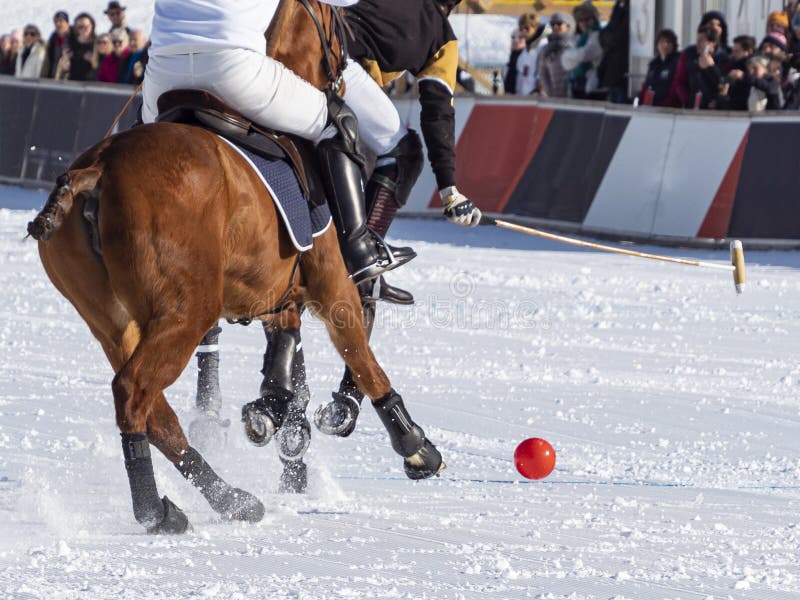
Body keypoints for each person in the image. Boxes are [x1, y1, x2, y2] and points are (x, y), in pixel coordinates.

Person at [142, 0, 415, 283]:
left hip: (162, 74)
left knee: (141, 144)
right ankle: (359, 249)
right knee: (338, 122)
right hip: (232, 70)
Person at [668, 23, 726, 108]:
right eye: (697, 40)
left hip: (712, 109)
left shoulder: (723, 58)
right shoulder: (690, 55)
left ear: (712, 43)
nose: (698, 43)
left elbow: (722, 84)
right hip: (693, 105)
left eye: (702, 40)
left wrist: (711, 67)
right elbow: (680, 81)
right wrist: (687, 100)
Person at [562, 2, 604, 100]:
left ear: (594, 19)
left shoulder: (598, 35)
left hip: (593, 87)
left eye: (587, 19)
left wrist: (568, 56)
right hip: (579, 85)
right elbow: (565, 63)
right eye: (580, 20)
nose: (584, 23)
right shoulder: (579, 38)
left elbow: (585, 54)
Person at [535, 12, 574, 98]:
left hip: (573, 97)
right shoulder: (546, 49)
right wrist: (551, 94)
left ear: (568, 25)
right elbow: (542, 74)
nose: (556, 27)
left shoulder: (575, 45)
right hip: (553, 98)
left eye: (559, 24)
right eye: (553, 24)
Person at [638, 28, 680, 106]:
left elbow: (676, 87)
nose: (665, 45)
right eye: (662, 42)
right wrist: (641, 102)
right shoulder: (653, 64)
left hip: (668, 108)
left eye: (668, 42)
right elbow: (646, 85)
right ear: (657, 45)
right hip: (650, 106)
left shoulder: (677, 62)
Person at [598, 0, 630, 103]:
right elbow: (605, 33)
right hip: (612, 71)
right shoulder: (617, 8)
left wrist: (609, 37)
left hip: (624, 70)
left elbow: (620, 36)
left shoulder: (631, 8)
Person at [514, 12, 550, 95]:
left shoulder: (543, 45)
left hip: (538, 96)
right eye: (521, 28)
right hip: (526, 95)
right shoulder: (527, 48)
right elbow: (521, 70)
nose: (523, 31)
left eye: (527, 28)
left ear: (536, 27)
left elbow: (544, 71)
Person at [717, 35, 756, 110]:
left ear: (749, 52)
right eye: (733, 51)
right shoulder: (730, 65)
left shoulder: (751, 70)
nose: (733, 54)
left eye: (737, 51)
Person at [65, 13, 99, 82]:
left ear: (92, 26)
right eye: (80, 27)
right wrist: (65, 62)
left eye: (86, 27)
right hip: (71, 82)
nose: (83, 29)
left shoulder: (99, 43)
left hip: (90, 84)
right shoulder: (70, 42)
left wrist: (94, 61)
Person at [44, 10, 71, 78]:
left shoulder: (74, 38)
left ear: (67, 23)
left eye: (61, 21)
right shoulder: (53, 39)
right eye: (56, 21)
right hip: (53, 79)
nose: (58, 24)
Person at [503, 28, 526, 94]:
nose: (516, 40)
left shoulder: (529, 61)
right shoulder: (507, 66)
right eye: (513, 37)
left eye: (520, 37)